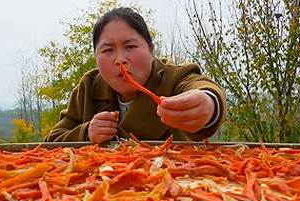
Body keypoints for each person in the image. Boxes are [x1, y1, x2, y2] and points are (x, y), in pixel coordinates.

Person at [44, 7, 226, 144]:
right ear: (95, 57)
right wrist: (86, 133)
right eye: (107, 50)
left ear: (151, 49)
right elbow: (51, 142)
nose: (120, 60)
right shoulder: (89, 88)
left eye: (130, 47)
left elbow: (200, 86)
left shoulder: (173, 78)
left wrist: (209, 103)